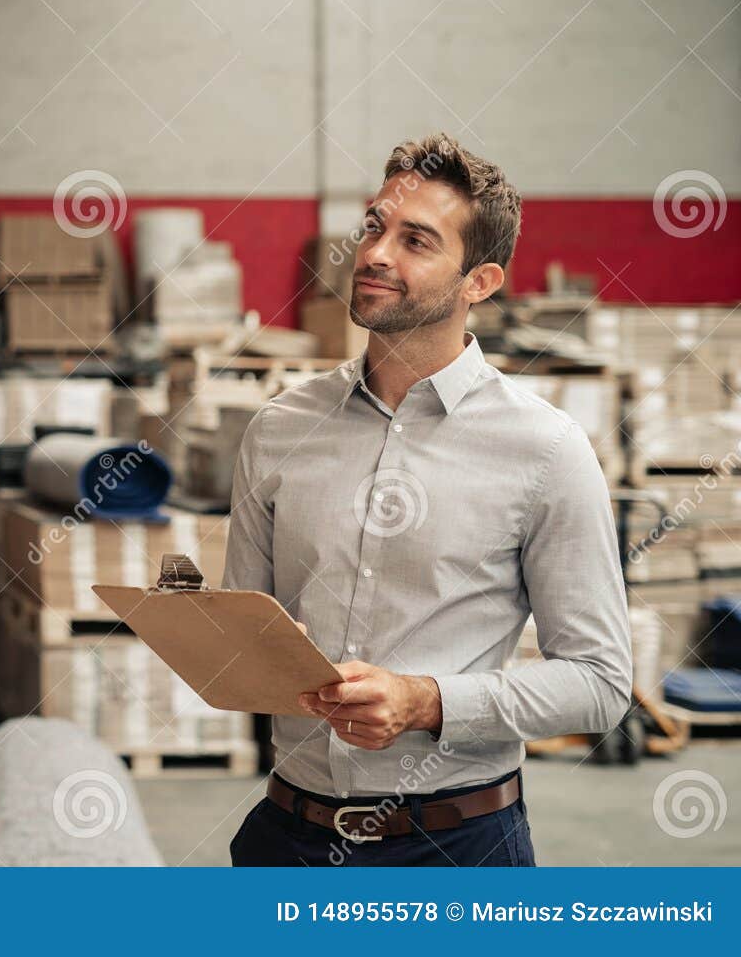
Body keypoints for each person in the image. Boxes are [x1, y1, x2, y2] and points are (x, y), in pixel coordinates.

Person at [224, 133, 632, 867]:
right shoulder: (280, 429)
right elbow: (245, 639)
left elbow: (600, 684)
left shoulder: (545, 450)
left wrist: (425, 701)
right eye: (376, 226)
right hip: (285, 835)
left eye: (416, 240)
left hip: (456, 850)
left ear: (479, 281)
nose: (376, 252)